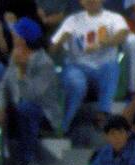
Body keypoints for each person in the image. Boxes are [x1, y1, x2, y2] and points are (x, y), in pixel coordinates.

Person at [0, 17, 64, 165]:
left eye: (16, 34)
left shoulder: (44, 62)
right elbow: (2, 86)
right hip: (18, 107)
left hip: (44, 113)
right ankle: (1, 158)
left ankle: (28, 159)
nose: (13, 37)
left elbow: (33, 94)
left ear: (24, 38)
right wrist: (0, 107)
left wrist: (22, 71)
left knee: (26, 108)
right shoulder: (15, 57)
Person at [53, 0, 129, 131]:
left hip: (103, 69)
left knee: (111, 66)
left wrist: (106, 42)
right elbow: (53, 46)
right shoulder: (72, 20)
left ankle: (103, 113)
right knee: (77, 83)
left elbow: (123, 34)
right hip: (77, 67)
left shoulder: (113, 18)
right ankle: (63, 126)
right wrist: (61, 40)